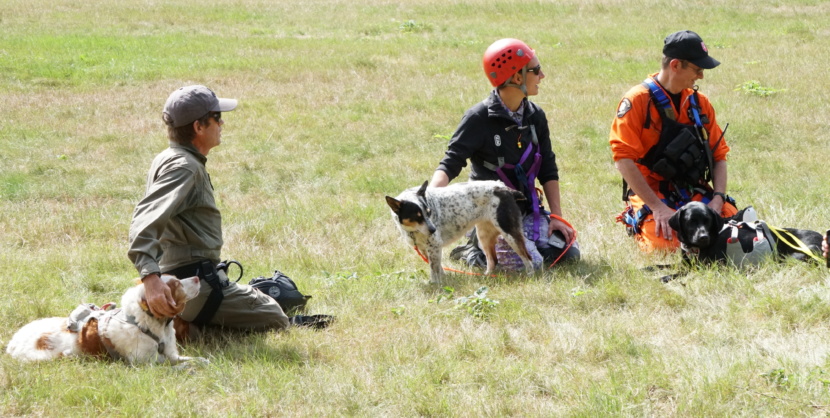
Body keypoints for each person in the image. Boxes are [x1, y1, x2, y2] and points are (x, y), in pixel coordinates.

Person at [128, 85, 326, 335]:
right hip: (193, 287)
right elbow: (144, 219)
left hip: (186, 279)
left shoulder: (170, 157)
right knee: (275, 316)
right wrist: (150, 279)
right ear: (199, 127)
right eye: (217, 117)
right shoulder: (184, 167)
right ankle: (185, 330)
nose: (222, 123)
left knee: (268, 298)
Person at [430, 38, 579, 269]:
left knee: (566, 254)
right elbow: (451, 162)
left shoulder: (535, 116)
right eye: (536, 70)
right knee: (526, 265)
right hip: (492, 216)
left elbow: (547, 166)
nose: (542, 76)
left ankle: (519, 241)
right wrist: (430, 200)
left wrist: (557, 217)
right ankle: (474, 250)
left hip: (526, 210)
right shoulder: (478, 118)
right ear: (517, 78)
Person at [610, 30, 738, 253]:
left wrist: (717, 199)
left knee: (733, 227)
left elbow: (719, 156)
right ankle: (639, 220)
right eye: (697, 70)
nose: (701, 76)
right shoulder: (637, 101)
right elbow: (623, 160)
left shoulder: (700, 103)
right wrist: (658, 208)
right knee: (664, 246)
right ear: (676, 65)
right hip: (652, 192)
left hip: (691, 187)